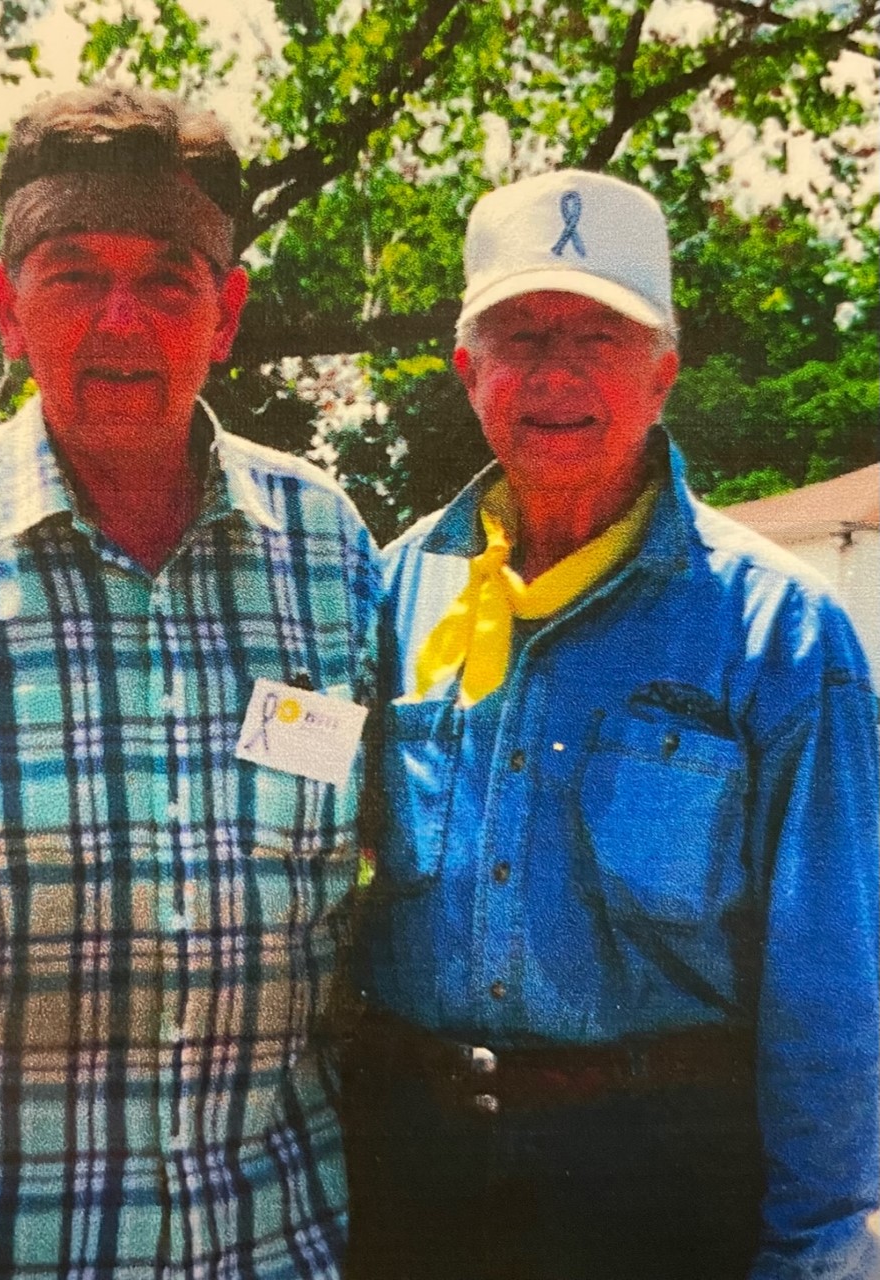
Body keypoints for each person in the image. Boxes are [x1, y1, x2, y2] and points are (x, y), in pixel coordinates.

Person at [0, 87, 376, 1280]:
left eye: (167, 278)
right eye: (70, 274)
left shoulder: (329, 546)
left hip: (277, 1242)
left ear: (227, 311)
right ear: (5, 308)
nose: (121, 319)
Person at [345, 170, 879, 1280]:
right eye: (520, 330)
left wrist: (822, 1247)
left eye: (599, 331)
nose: (555, 369)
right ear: (467, 370)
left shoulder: (776, 628)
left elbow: (830, 982)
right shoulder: (384, 595)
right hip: (409, 1170)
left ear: (662, 371)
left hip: (659, 1181)